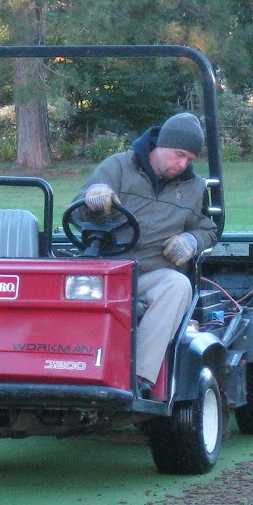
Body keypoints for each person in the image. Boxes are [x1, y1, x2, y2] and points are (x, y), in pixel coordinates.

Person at [78, 111, 219, 398]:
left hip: (150, 273)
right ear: (159, 145)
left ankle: (139, 377)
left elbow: (208, 229)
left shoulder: (193, 188)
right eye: (179, 155)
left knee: (178, 285)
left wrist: (192, 240)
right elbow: (77, 213)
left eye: (190, 159)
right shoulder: (118, 167)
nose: (182, 164)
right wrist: (93, 198)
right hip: (105, 270)